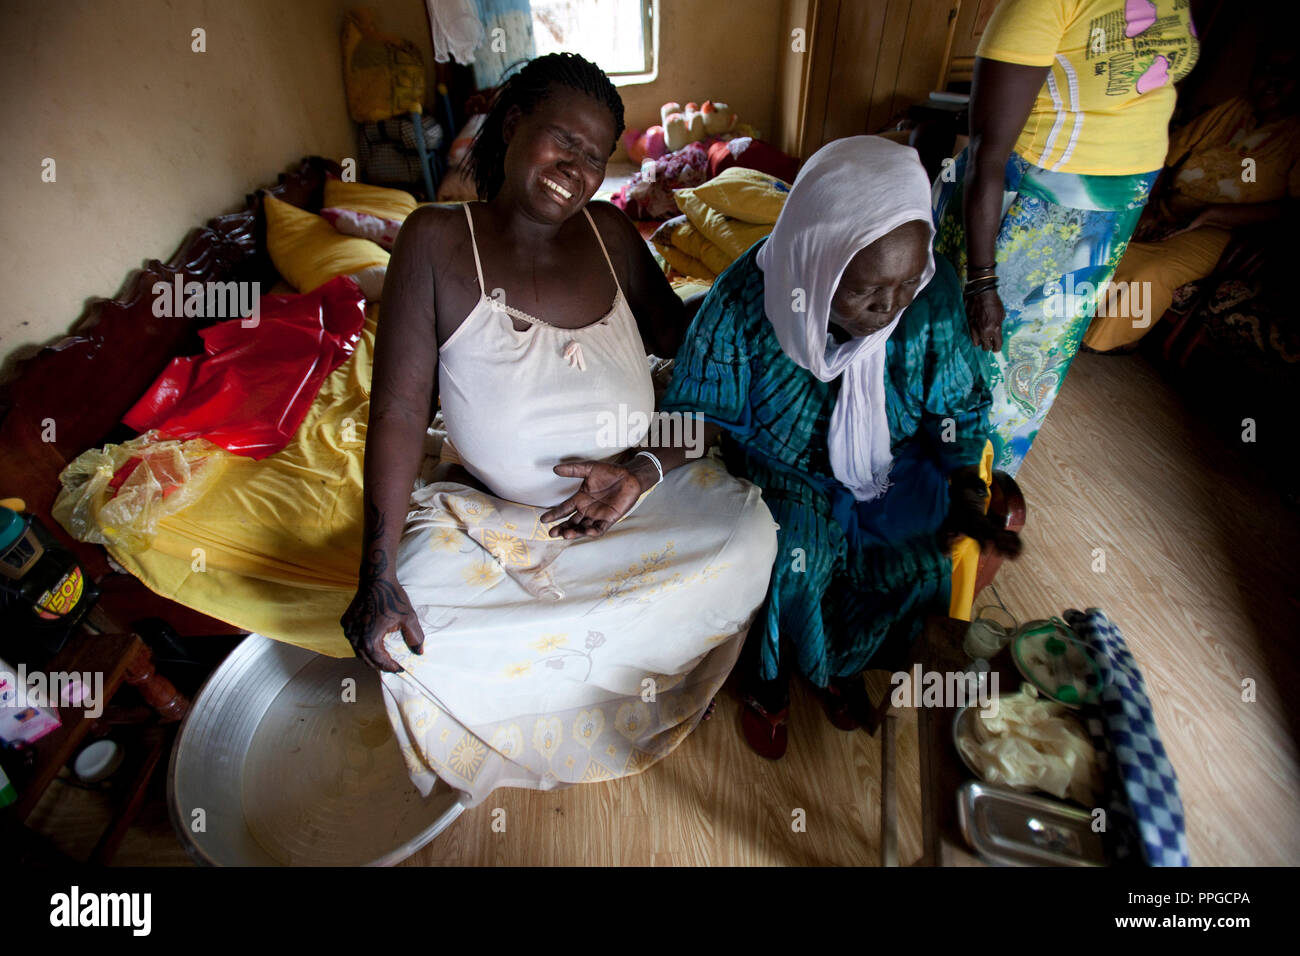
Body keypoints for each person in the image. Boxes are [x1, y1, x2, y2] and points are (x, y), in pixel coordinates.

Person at [340, 53, 778, 804]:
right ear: (514, 125)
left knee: (749, 535)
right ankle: (593, 682)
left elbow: (687, 349)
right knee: (414, 620)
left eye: (596, 155)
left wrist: (760, 294)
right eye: (563, 141)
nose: (577, 168)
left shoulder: (610, 233)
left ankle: (598, 677)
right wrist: (375, 573)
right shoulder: (437, 240)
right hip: (506, 519)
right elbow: (401, 410)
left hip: (640, 495)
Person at [657, 136, 1021, 759]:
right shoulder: (749, 300)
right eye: (868, 291)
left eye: (907, 283)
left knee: (926, 552)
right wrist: (644, 466)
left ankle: (836, 668)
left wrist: (965, 483)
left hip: (890, 464)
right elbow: (697, 412)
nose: (890, 309)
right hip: (784, 467)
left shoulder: (928, 302)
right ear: (816, 262)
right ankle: (768, 685)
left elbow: (957, 412)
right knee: (798, 553)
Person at [932, 0, 1200, 473]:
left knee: (1033, 371)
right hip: (1032, 210)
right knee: (978, 366)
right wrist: (982, 281)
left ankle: (982, 487)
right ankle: (935, 494)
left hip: (1108, 216)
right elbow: (988, 155)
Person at [1083, 44, 1299, 352]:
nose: (1273, 81)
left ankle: (1105, 339)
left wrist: (1212, 214)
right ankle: (1059, 318)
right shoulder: (1232, 111)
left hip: (1221, 232)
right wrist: (1148, 204)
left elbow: (1291, 210)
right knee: (1098, 242)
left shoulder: (1293, 135)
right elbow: (1165, 157)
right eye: (1266, 71)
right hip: (1169, 209)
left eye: (1287, 74)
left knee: (1149, 271)